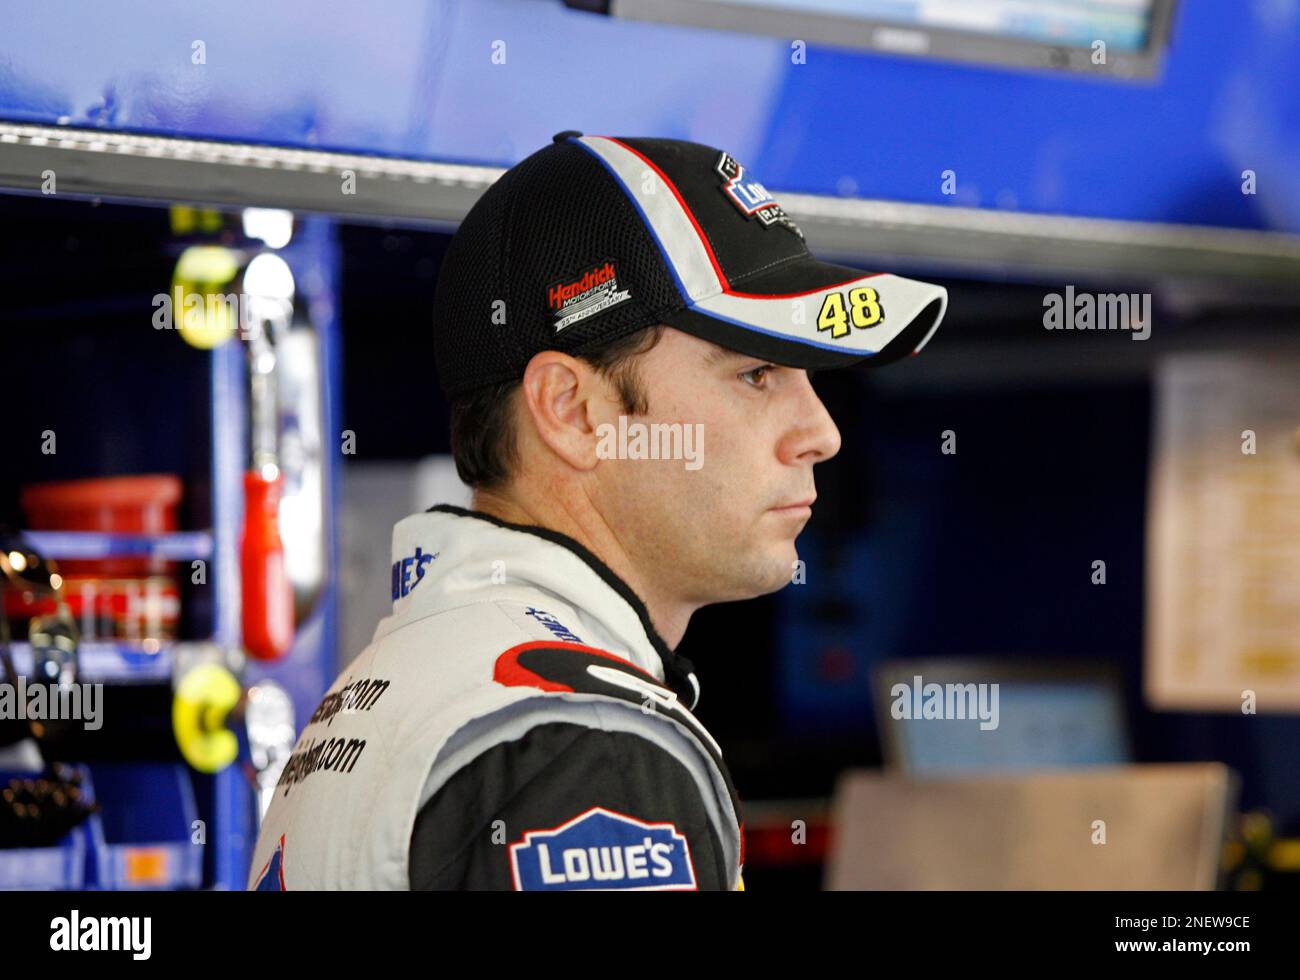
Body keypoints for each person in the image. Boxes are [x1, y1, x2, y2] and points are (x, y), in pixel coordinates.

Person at [248, 132, 947, 891]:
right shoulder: (586, 746)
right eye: (756, 374)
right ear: (574, 411)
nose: (822, 433)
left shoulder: (410, 687)